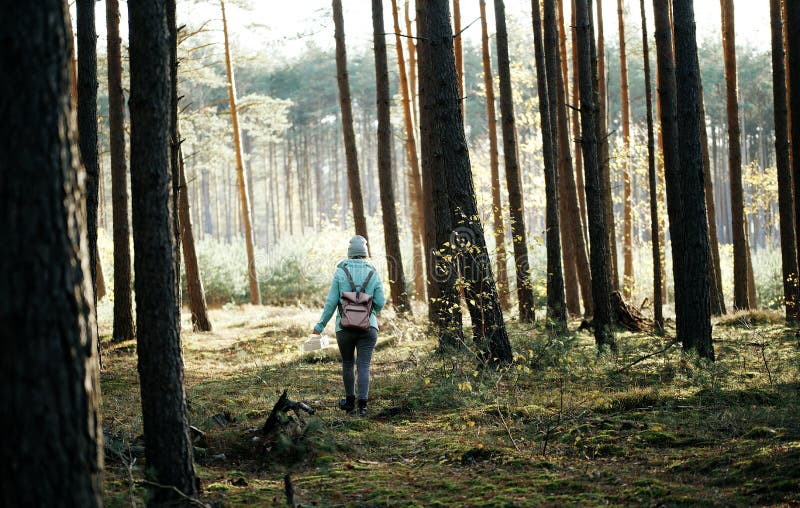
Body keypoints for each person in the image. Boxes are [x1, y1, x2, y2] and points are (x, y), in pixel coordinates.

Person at [313, 235, 386, 416]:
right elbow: (380, 301)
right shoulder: (373, 273)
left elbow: (331, 302)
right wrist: (369, 311)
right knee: (364, 365)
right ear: (365, 253)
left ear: (350, 253)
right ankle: (363, 406)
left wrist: (320, 325)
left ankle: (349, 403)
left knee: (347, 363)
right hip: (369, 327)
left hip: (344, 328)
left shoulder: (340, 272)